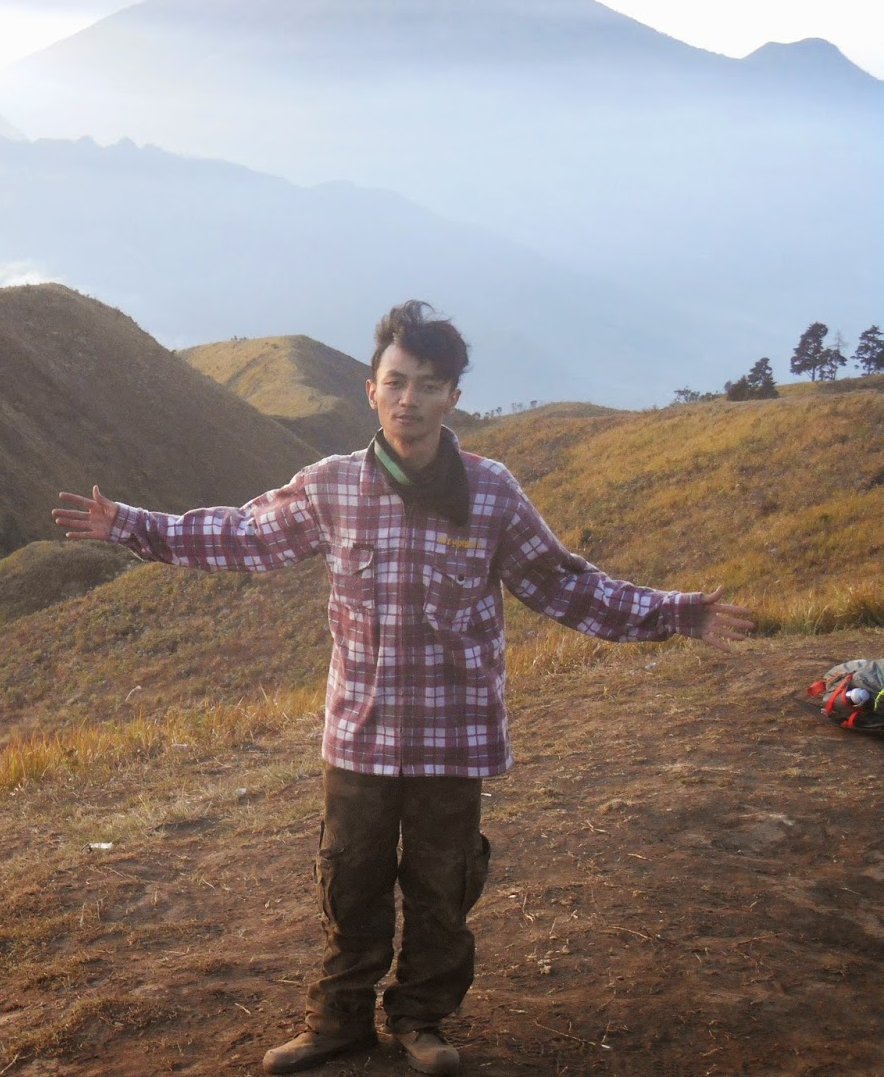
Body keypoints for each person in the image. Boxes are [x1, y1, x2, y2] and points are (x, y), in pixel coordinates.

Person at [52, 301, 753, 1075]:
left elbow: (565, 586)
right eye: (396, 382)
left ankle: (422, 1021)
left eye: (427, 384)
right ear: (370, 390)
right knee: (348, 884)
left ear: (453, 395)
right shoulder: (331, 488)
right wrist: (128, 525)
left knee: (441, 890)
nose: (410, 399)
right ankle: (338, 1022)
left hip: (454, 741)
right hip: (359, 736)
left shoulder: (492, 495)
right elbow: (239, 536)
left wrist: (678, 614)